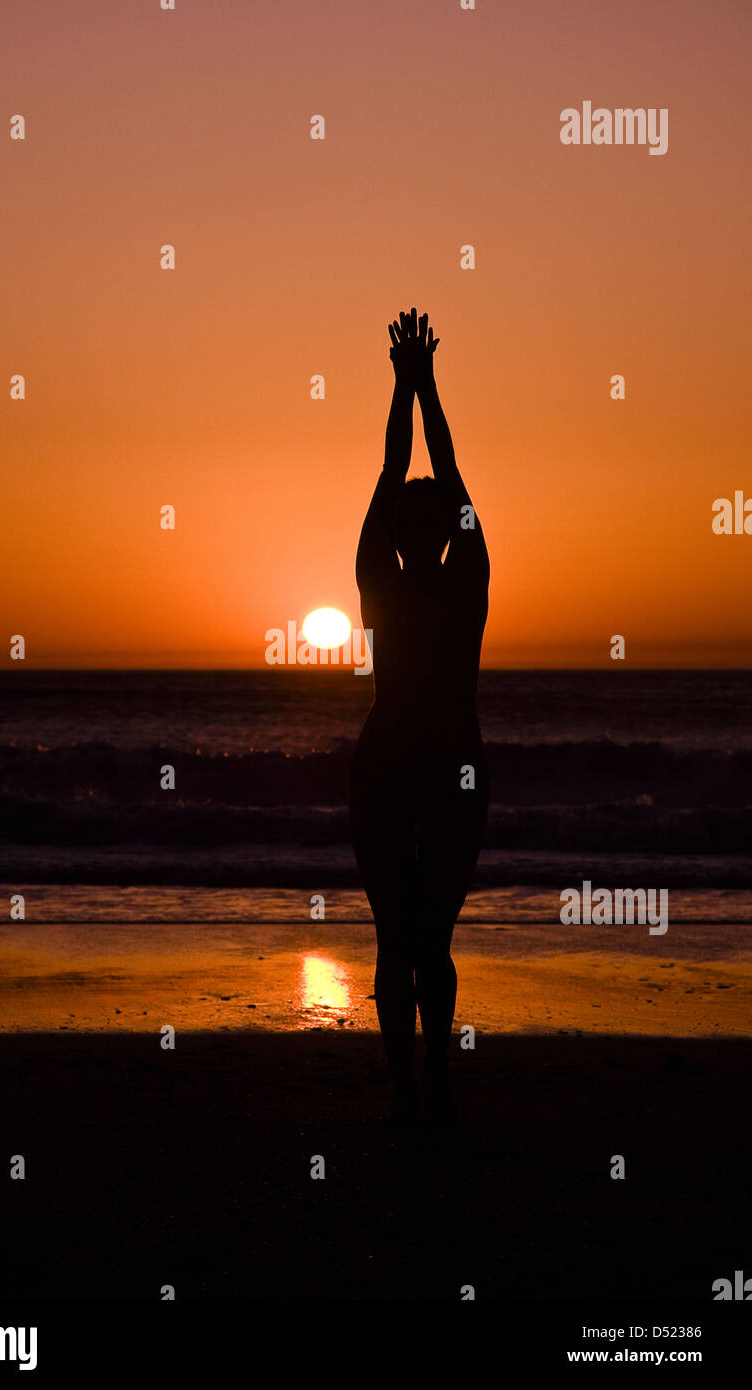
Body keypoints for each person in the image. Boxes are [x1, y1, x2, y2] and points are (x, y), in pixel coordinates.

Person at [350, 307, 490, 1126]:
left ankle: (433, 1075)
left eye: (427, 516)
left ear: (442, 530)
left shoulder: (465, 580)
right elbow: (392, 466)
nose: (413, 522)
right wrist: (405, 389)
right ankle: (406, 1087)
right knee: (394, 937)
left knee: (429, 939)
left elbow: (445, 468)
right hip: (383, 776)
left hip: (451, 777)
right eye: (406, 517)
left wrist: (425, 388)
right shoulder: (379, 581)